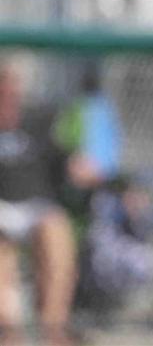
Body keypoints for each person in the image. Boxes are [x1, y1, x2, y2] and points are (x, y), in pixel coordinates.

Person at [0, 51, 79, 346]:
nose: (8, 98)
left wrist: (79, 167)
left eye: (13, 91)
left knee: (55, 230)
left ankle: (53, 329)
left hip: (36, 207)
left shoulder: (38, 121)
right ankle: (9, 334)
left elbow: (65, 161)